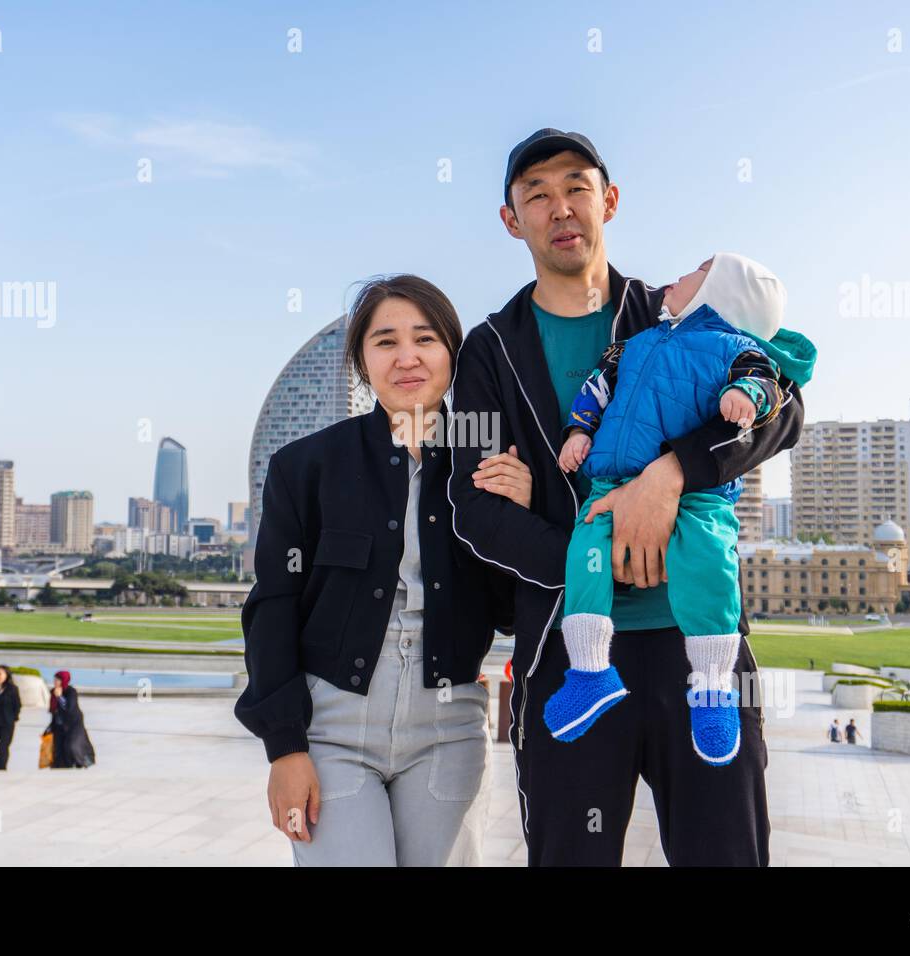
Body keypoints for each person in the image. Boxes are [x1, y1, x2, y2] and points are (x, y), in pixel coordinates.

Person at [448, 128, 804, 866]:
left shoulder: (674, 315)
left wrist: (670, 476)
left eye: (577, 187)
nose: (561, 207)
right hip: (568, 651)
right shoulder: (488, 348)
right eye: (536, 196)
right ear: (512, 220)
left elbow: (784, 408)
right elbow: (474, 505)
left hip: (696, 643)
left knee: (727, 852)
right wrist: (596, 559)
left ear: (609, 200)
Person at [235, 274, 515, 866]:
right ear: (363, 361)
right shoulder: (304, 467)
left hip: (449, 727)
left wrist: (517, 512)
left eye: (425, 339)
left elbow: (515, 610)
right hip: (332, 728)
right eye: (385, 341)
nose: (406, 357)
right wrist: (284, 749)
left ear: (452, 353)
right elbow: (272, 607)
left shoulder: (492, 462)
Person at [547, 252, 815, 764]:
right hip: (608, 482)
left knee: (709, 562)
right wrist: (579, 430)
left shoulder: (735, 347)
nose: (680, 273)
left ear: (721, 294)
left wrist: (746, 394)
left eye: (699, 269)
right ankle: (589, 672)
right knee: (585, 552)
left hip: (699, 497)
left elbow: (770, 385)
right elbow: (596, 389)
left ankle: (713, 688)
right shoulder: (635, 343)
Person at [44, 671, 95, 768]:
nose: (55, 682)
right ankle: (62, 766)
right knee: (57, 746)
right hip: (59, 724)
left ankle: (82, 762)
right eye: (54, 679)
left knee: (72, 745)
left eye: (58, 680)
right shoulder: (53, 691)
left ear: (64, 680)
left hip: (73, 723)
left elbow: (70, 708)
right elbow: (54, 710)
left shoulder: (71, 691)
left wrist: (59, 697)